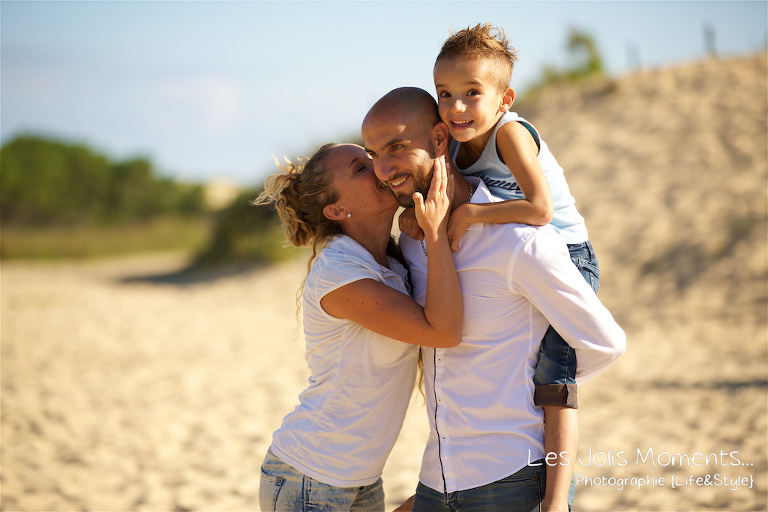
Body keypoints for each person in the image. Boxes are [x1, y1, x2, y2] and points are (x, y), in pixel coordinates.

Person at [361, 87, 625, 512]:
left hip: (512, 480)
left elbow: (605, 343)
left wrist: (530, 390)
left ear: (441, 139)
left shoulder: (519, 242)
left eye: (397, 147)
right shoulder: (411, 242)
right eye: (373, 154)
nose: (383, 168)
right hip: (435, 477)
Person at [399, 23, 600, 509]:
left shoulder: (509, 134)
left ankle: (557, 498)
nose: (456, 107)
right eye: (445, 94)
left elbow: (539, 210)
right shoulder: (460, 142)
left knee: (554, 378)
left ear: (504, 98)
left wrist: (471, 214)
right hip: (533, 251)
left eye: (472, 93)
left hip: (570, 255)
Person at [256, 143, 462, 512]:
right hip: (309, 477)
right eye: (359, 169)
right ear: (336, 210)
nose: (379, 168)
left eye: (374, 159)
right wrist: (434, 230)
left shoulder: (394, 264)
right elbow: (443, 332)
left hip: (361, 479)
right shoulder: (340, 271)